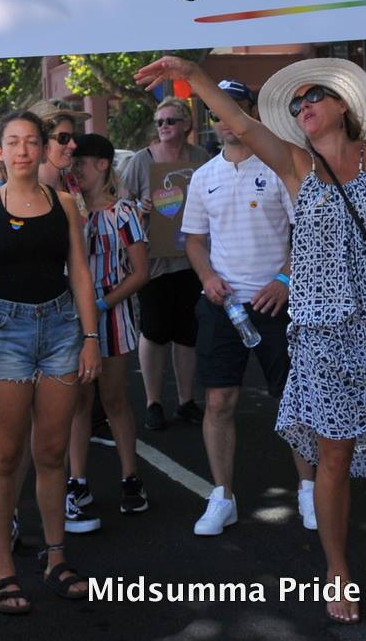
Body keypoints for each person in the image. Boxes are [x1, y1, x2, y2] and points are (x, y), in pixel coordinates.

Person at [134, 42, 366, 627]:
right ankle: (338, 571)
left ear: (343, 105)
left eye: (313, 97)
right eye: (296, 105)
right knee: (333, 458)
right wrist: (192, 74)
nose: (303, 108)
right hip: (322, 334)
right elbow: (238, 118)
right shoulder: (294, 164)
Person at [0, 110, 101, 614]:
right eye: (13, 142)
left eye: (32, 141)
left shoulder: (64, 203)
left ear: (43, 148)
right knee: (4, 455)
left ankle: (56, 558)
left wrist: (90, 337)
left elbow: (80, 273)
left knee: (51, 452)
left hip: (61, 330)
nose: (24, 150)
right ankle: (4, 569)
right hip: (3, 333)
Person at [180, 79, 315, 537]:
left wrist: (285, 279)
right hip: (224, 306)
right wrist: (207, 277)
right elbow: (194, 241)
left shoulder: (278, 166)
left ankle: (309, 489)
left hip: (278, 303)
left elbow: (306, 231)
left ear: (250, 113)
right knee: (218, 401)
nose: (225, 119)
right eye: (217, 111)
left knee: (294, 399)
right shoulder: (204, 176)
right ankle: (223, 497)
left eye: (233, 108)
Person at [65, 131, 152, 532]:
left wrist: (101, 304)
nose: (74, 169)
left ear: (102, 165)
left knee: (114, 398)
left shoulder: (124, 213)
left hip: (112, 317)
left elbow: (141, 272)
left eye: (81, 162)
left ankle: (130, 476)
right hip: (74, 319)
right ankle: (77, 482)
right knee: (79, 402)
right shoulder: (69, 210)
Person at [120, 97, 209, 430]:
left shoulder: (201, 159)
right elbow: (120, 204)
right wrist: (138, 209)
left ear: (186, 124)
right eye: (159, 122)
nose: (164, 127)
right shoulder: (141, 161)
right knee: (154, 330)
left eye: (170, 121)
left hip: (193, 258)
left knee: (187, 332)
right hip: (154, 259)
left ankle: (186, 401)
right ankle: (153, 402)